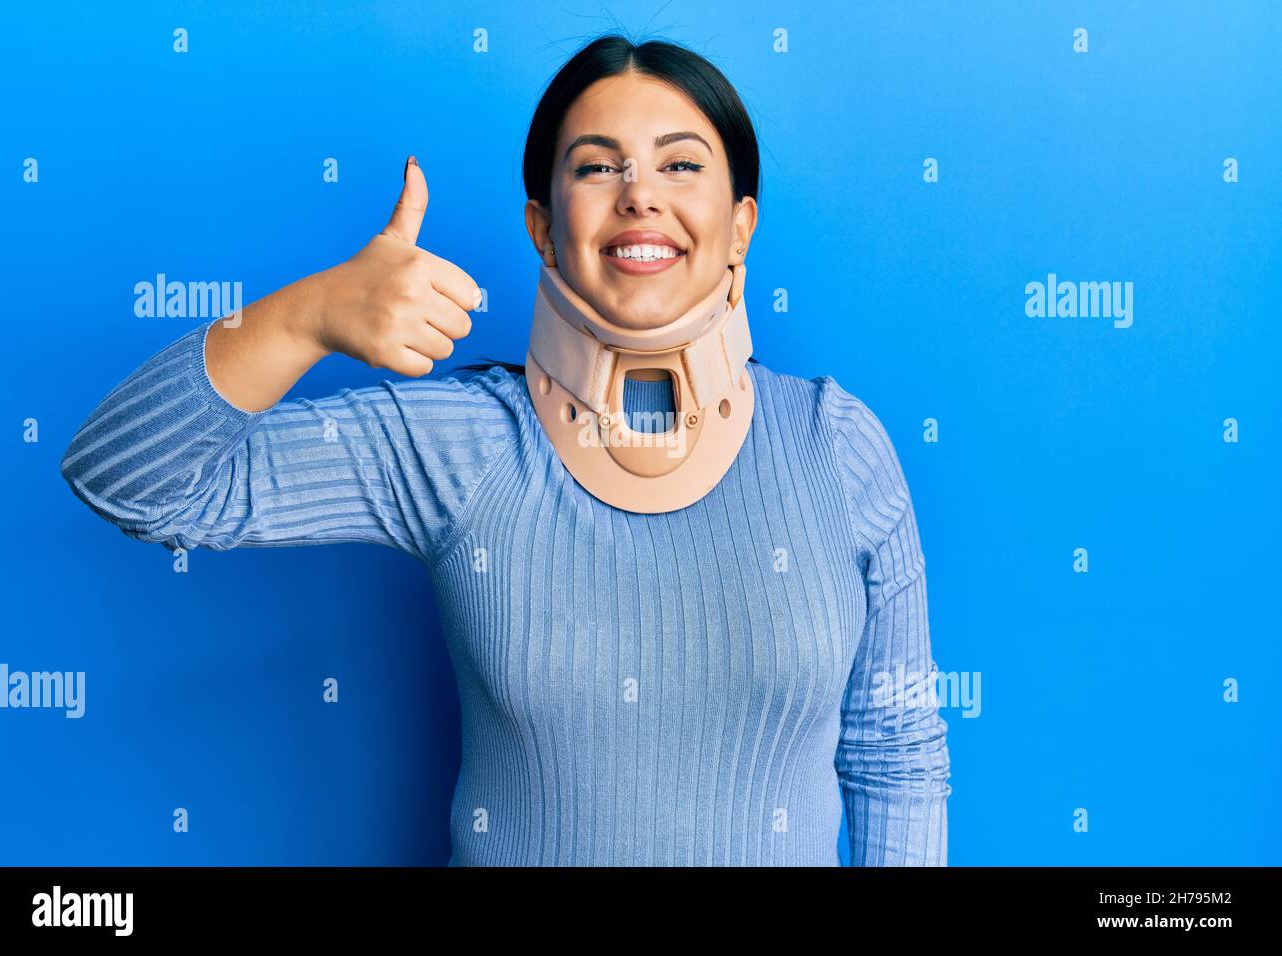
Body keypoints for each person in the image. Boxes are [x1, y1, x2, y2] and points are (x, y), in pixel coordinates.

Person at [61, 33, 952, 866]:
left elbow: (898, 749)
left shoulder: (836, 448)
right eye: (598, 167)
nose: (640, 191)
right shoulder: (462, 442)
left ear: (742, 223)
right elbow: (127, 479)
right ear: (540, 225)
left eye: (681, 163)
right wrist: (311, 316)